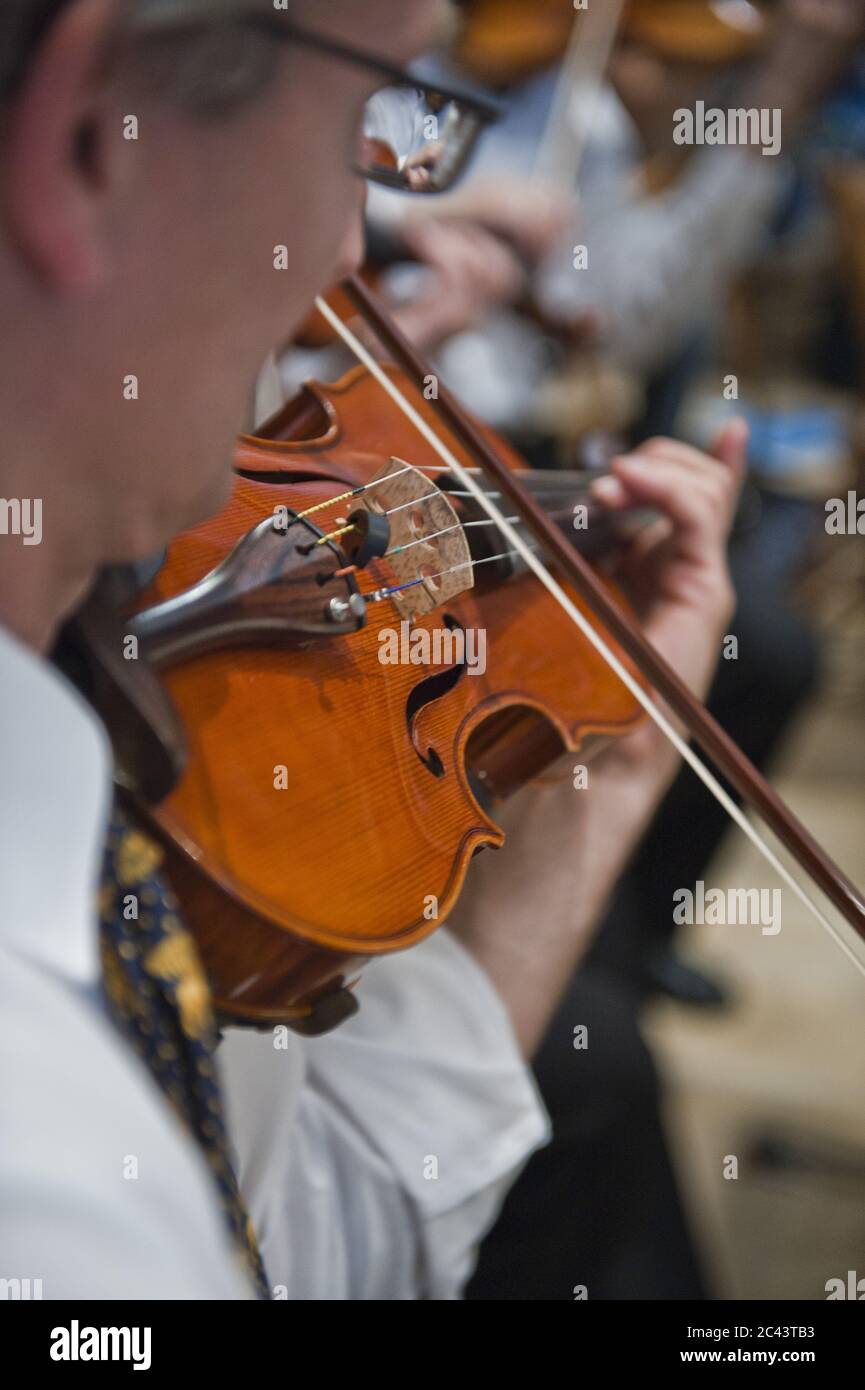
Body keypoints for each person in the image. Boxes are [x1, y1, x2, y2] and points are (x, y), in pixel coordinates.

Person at [0, 0, 745, 1300]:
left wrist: (600, 768)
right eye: (363, 117)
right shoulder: (57, 1206)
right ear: (86, 138)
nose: (355, 245)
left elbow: (288, 1229)